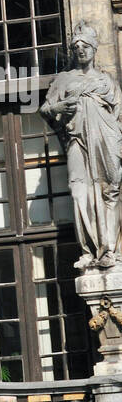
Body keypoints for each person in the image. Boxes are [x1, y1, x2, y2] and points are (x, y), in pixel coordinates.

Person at [41, 21, 122, 270]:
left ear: (94, 48)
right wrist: (57, 107)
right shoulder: (63, 80)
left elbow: (119, 114)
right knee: (79, 192)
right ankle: (89, 249)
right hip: (77, 139)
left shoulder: (107, 82)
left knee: (110, 190)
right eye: (76, 47)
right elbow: (45, 109)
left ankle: (110, 249)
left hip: (108, 141)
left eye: (85, 46)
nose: (81, 50)